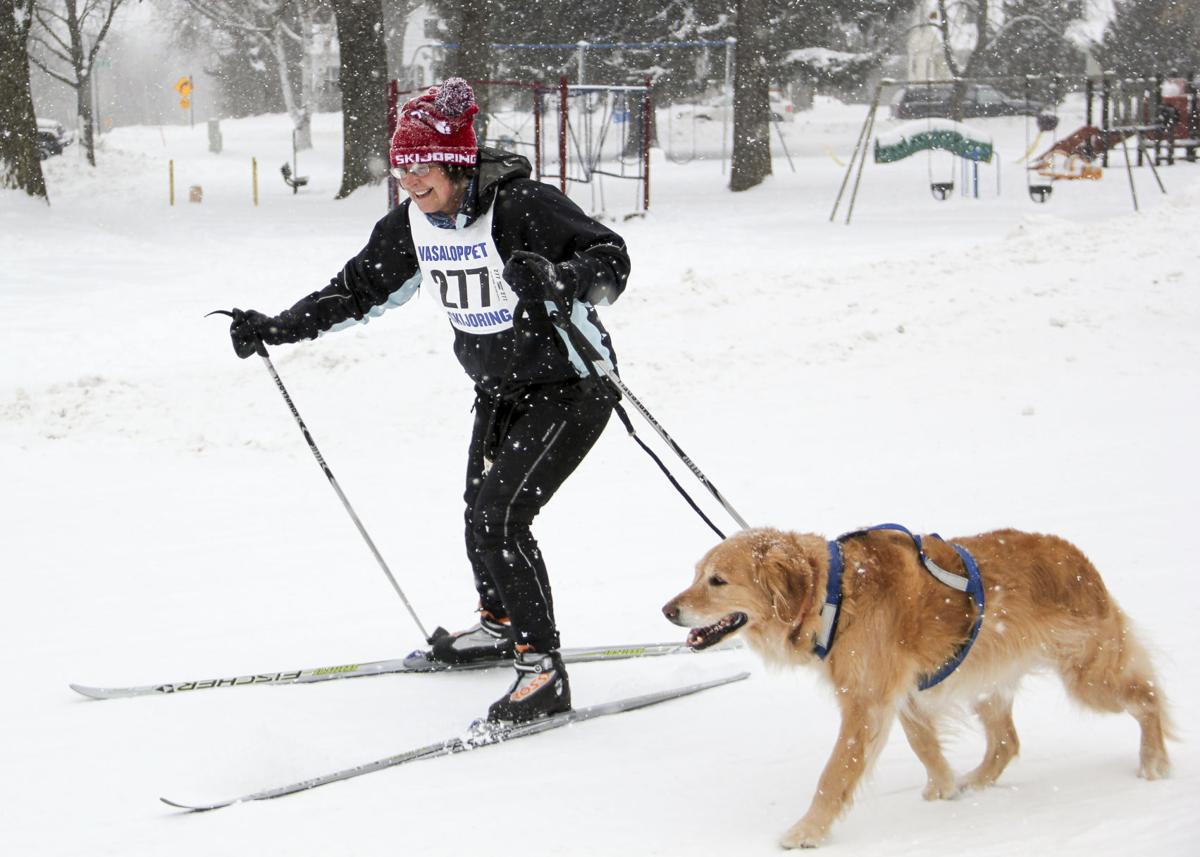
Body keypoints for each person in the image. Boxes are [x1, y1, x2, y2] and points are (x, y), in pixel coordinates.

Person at [226, 78, 629, 724]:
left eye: (424, 170)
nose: (411, 183)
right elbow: (357, 291)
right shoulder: (413, 224)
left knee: (501, 517)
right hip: (500, 389)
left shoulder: (521, 206)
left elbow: (611, 257)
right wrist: (279, 326)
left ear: (458, 164)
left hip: (572, 386)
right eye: (402, 170)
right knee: (478, 510)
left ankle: (542, 672)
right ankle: (500, 625)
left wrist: (562, 277)